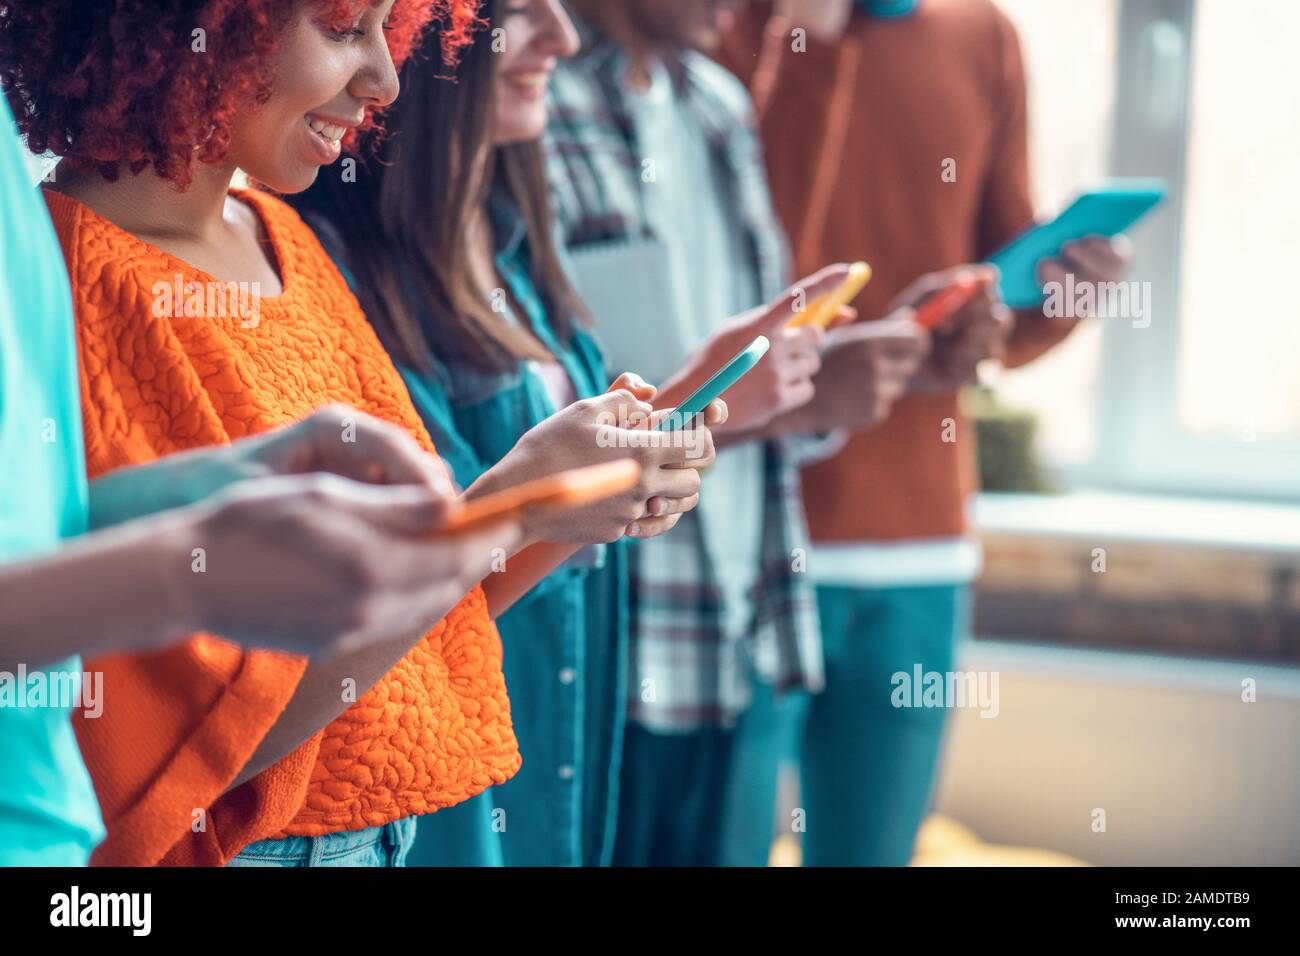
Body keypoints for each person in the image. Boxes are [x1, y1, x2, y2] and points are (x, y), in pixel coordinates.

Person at [2, 0, 547, 868]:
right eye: (341, 30)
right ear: (197, 31)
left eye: (385, 28)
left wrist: (545, 507)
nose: (387, 78)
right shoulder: (75, 285)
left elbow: (414, 631)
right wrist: (517, 508)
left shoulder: (284, 238)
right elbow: (178, 766)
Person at [292, 0, 724, 866]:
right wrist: (536, 500)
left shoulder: (516, 244)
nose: (564, 38)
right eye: (522, 15)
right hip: (445, 794)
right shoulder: (325, 266)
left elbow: (535, 492)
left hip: (552, 754)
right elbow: (396, 585)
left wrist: (664, 424)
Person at [718, 0, 1132, 865]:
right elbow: (737, 273)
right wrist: (812, 39)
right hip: (740, 531)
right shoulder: (711, 24)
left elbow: (1001, 298)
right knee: (714, 843)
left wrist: (1062, 298)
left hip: (917, 544)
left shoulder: (981, 35)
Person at [544, 0, 927, 865]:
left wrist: (814, 395)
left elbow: (751, 374)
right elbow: (540, 413)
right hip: (613, 629)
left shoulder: (718, 106)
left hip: (734, 622)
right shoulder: (534, 102)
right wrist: (740, 402)